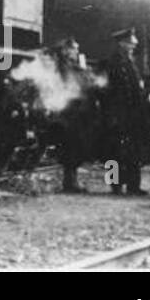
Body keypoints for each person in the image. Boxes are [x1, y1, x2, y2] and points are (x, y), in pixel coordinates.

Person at [101, 27, 150, 195]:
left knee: (133, 151)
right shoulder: (113, 63)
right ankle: (114, 185)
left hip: (132, 116)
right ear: (121, 44)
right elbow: (107, 91)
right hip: (117, 115)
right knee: (113, 151)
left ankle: (133, 186)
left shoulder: (130, 63)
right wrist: (112, 115)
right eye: (130, 44)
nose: (133, 47)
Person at [52, 37, 97, 194]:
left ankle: (71, 181)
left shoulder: (70, 66)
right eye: (74, 49)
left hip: (75, 112)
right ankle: (70, 183)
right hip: (70, 113)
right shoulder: (63, 67)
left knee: (74, 148)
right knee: (72, 148)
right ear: (66, 50)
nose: (77, 52)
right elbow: (71, 85)